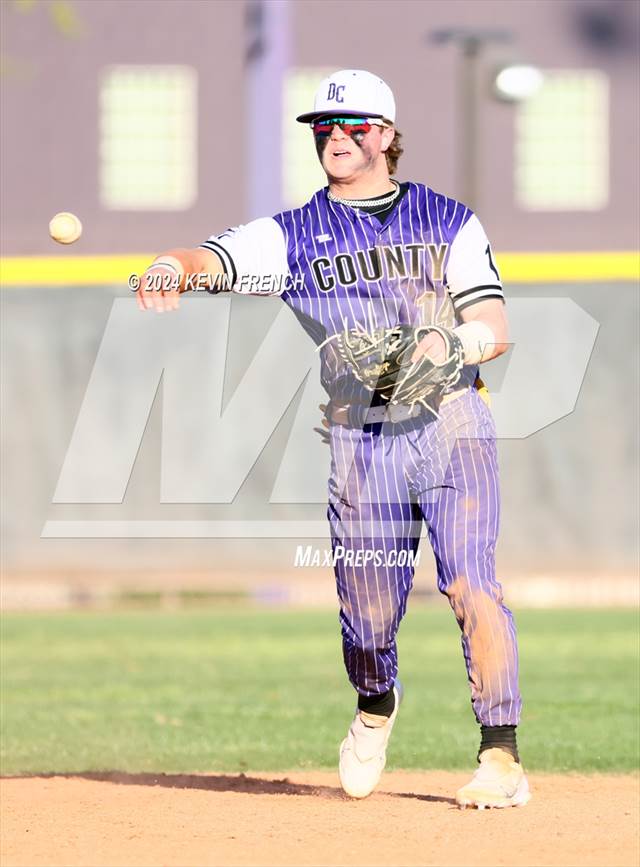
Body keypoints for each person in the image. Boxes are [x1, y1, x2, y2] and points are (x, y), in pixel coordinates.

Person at [135, 69, 529, 809]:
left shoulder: (449, 220)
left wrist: (451, 346)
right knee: (369, 609)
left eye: (352, 126)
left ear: (384, 134)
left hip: (452, 421)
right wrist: (171, 267)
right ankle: (376, 701)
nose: (336, 138)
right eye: (324, 126)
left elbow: (496, 330)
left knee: (472, 579)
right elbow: (209, 258)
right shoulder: (293, 234)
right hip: (361, 434)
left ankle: (501, 754)